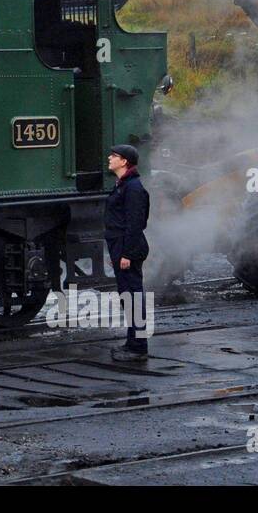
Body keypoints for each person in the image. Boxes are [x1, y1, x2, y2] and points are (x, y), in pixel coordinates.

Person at [104, 143, 151, 361]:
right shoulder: (123, 185)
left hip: (128, 246)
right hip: (120, 245)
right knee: (128, 296)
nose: (109, 158)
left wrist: (127, 254)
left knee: (133, 296)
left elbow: (135, 224)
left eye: (114, 156)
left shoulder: (133, 188)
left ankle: (139, 347)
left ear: (124, 162)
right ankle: (133, 342)